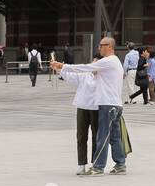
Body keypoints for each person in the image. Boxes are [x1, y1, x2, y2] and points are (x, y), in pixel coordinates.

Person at [51, 36, 128, 175]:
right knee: (114, 136)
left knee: (103, 136)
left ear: (110, 46)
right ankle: (120, 164)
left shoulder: (109, 61)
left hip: (108, 104)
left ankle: (98, 167)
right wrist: (61, 70)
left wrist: (63, 65)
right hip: (115, 103)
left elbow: (85, 68)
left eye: (101, 45)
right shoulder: (114, 62)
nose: (99, 48)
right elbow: (83, 74)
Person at [55, 53, 99, 175]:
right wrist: (59, 69)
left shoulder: (104, 77)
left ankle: (96, 163)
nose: (93, 66)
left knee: (97, 137)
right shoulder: (84, 75)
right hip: (82, 107)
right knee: (81, 136)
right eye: (92, 63)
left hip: (97, 108)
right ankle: (81, 164)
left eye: (96, 64)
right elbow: (71, 76)